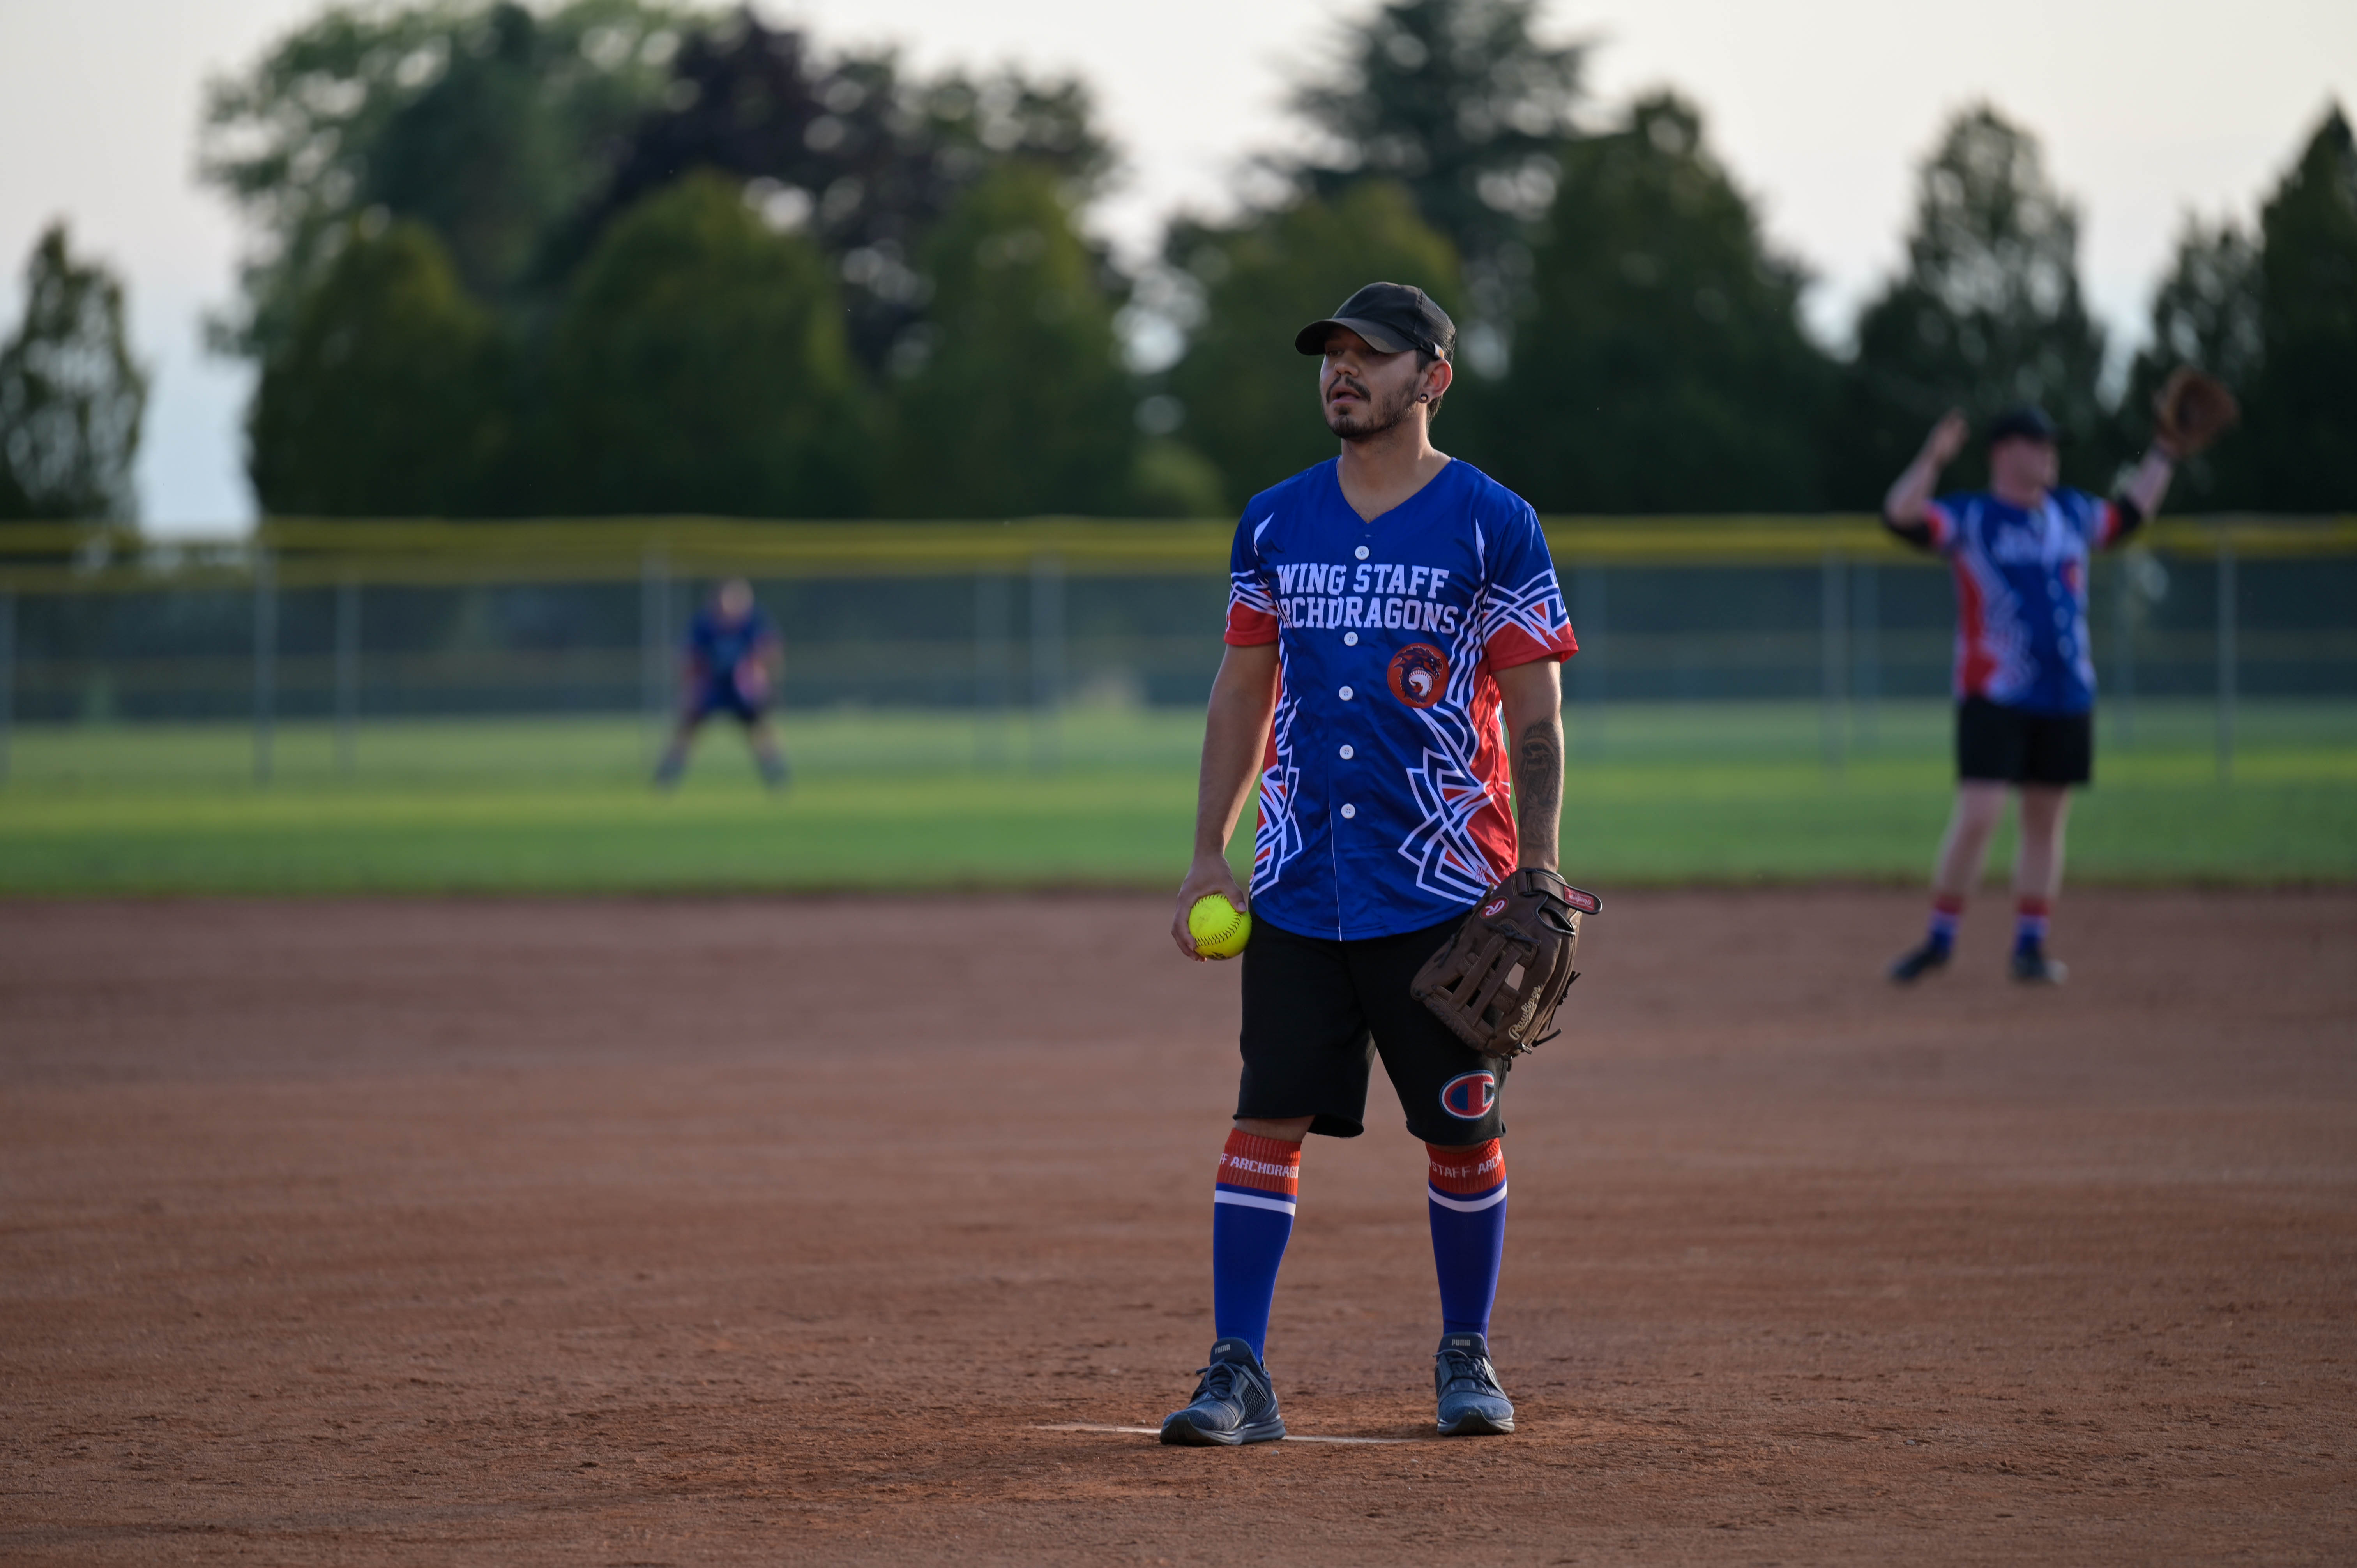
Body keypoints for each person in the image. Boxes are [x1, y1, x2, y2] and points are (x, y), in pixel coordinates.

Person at [1161, 283, 1579, 1445]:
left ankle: (1467, 1357)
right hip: (1298, 881)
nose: (1343, 371)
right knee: (1265, 1123)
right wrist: (1210, 852)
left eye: (1372, 355)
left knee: (1459, 1129)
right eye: (1333, 353)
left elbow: (1536, 709)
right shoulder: (1274, 522)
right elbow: (1244, 690)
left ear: (1431, 378)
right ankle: (1236, 1372)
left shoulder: (1494, 521)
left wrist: (1536, 865)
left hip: (1446, 889)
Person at [1882, 407, 2177, 984]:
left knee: (2046, 819)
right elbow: (1901, 517)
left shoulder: (2070, 512)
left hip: (2068, 692)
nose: (2049, 454)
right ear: (2003, 452)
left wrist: (2165, 452)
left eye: (2051, 444)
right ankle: (1940, 940)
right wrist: (1934, 457)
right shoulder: (1973, 517)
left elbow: (2131, 514)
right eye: (2036, 444)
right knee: (1980, 816)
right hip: (1994, 692)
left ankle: (2031, 946)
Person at [652, 577, 789, 789]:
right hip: (713, 686)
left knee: (762, 729)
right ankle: (667, 777)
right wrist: (690, 689)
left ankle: (777, 778)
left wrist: (767, 683)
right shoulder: (705, 625)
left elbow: (770, 652)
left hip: (743, 689)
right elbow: (688, 658)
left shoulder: (753, 623)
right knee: (687, 727)